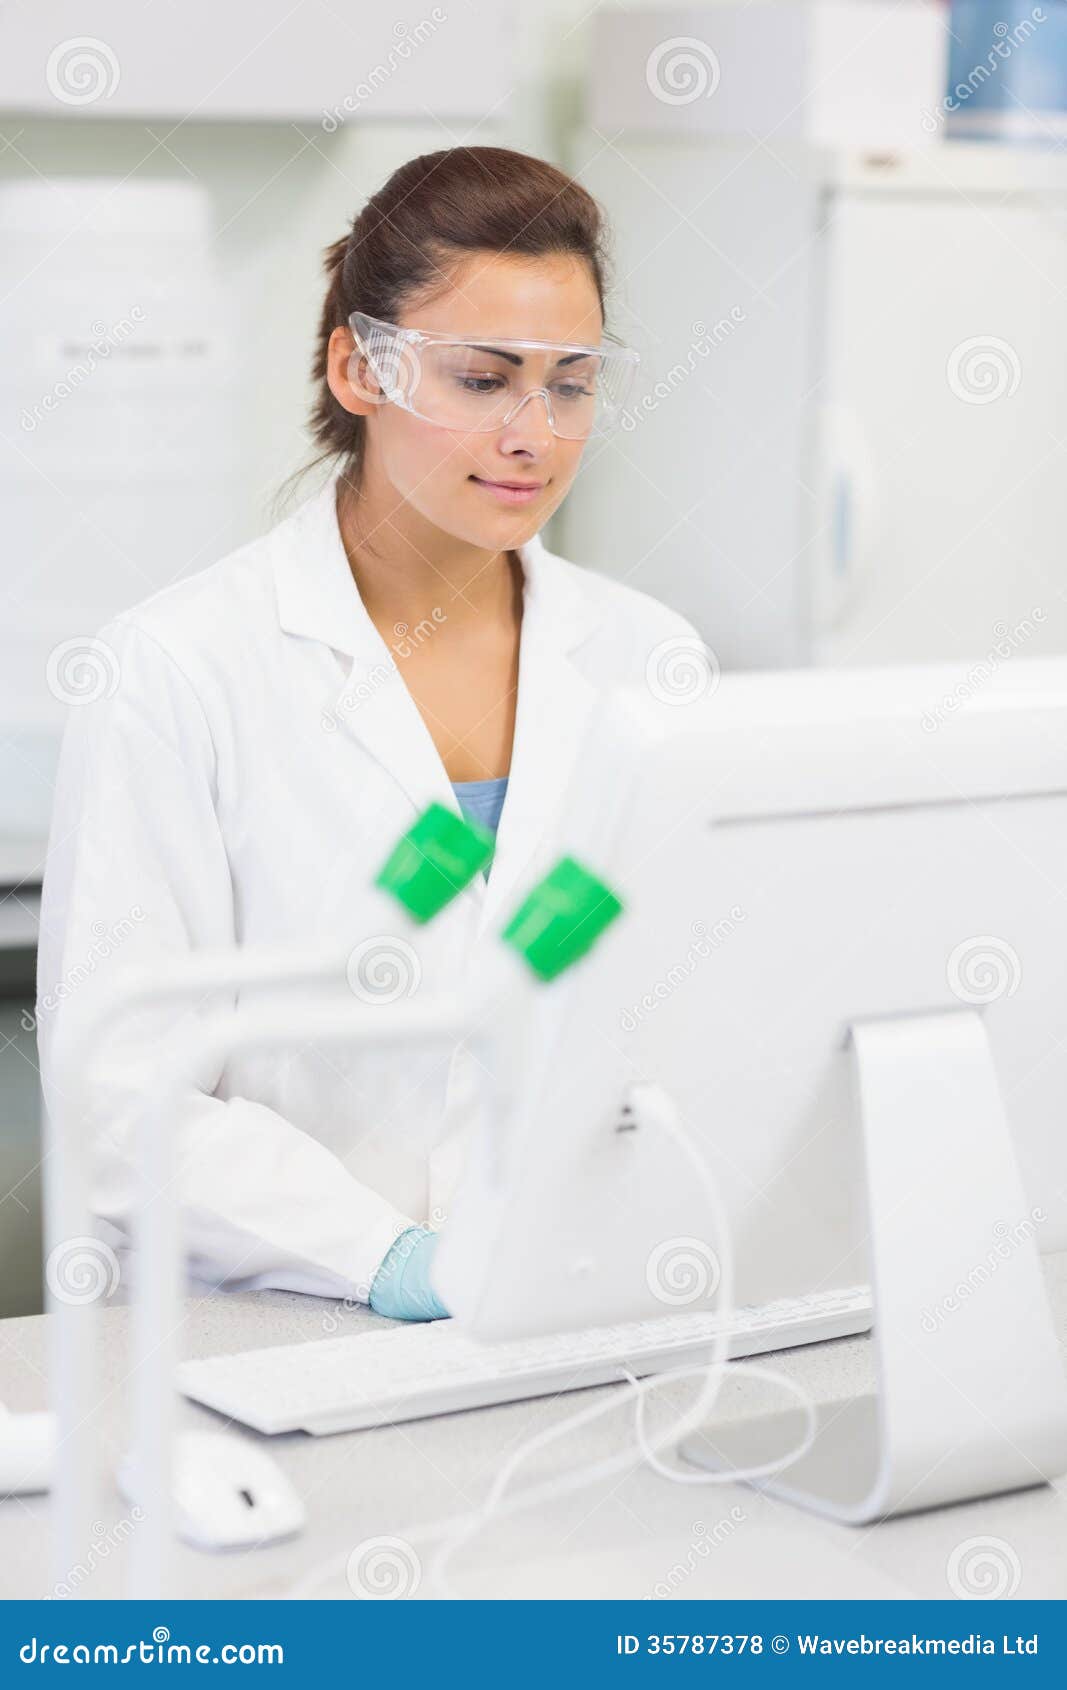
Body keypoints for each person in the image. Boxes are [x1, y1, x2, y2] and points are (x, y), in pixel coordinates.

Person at [36, 145, 704, 1321]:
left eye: (570, 382)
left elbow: (680, 1013)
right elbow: (120, 1088)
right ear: (358, 366)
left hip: (562, 1305)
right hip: (254, 1335)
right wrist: (396, 1259)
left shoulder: (649, 663)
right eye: (483, 379)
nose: (533, 434)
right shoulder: (182, 671)